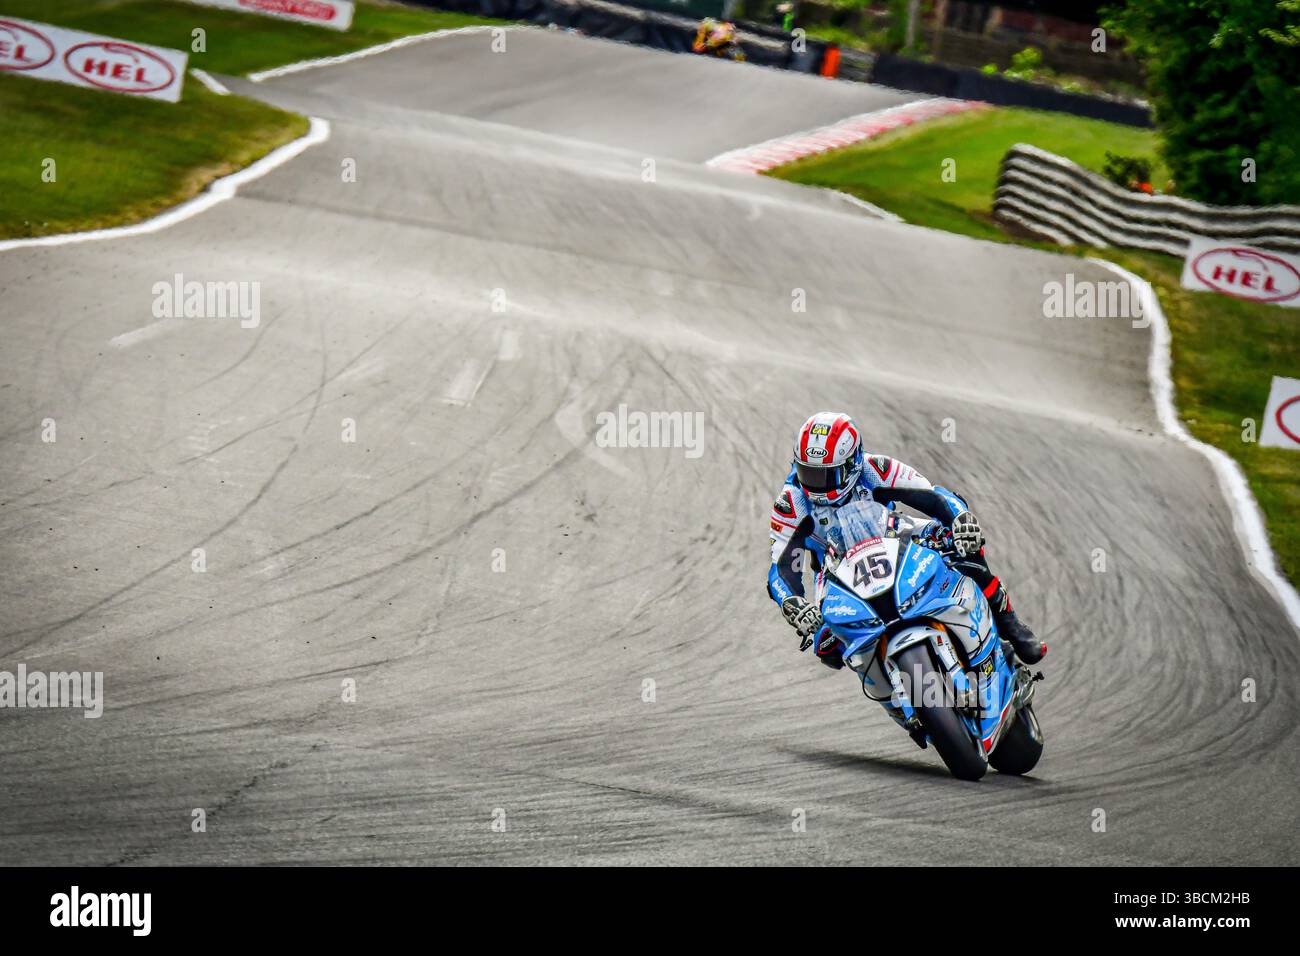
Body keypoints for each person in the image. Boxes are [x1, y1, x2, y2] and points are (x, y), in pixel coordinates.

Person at [767, 411, 1046, 669]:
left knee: (962, 545)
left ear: (851, 464)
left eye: (826, 475)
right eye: (808, 473)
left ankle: (1008, 622)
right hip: (834, 568)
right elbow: (779, 570)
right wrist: (794, 603)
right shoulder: (791, 502)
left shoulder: (873, 469)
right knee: (827, 647)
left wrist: (961, 520)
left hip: (894, 536)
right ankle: (896, 696)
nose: (815, 485)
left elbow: (935, 496)